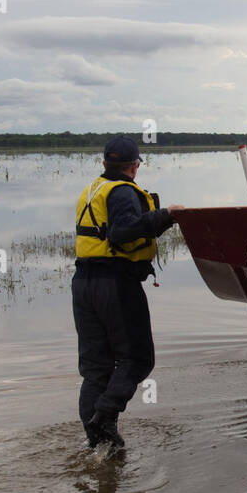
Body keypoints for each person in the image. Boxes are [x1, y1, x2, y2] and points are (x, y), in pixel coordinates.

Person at [73, 135, 181, 449]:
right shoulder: (122, 191)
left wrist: (160, 221)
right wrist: (167, 215)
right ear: (134, 167)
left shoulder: (95, 188)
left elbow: (111, 232)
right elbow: (122, 232)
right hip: (115, 283)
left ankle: (99, 441)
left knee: (96, 368)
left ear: (105, 163)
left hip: (84, 283)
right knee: (137, 359)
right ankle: (104, 417)